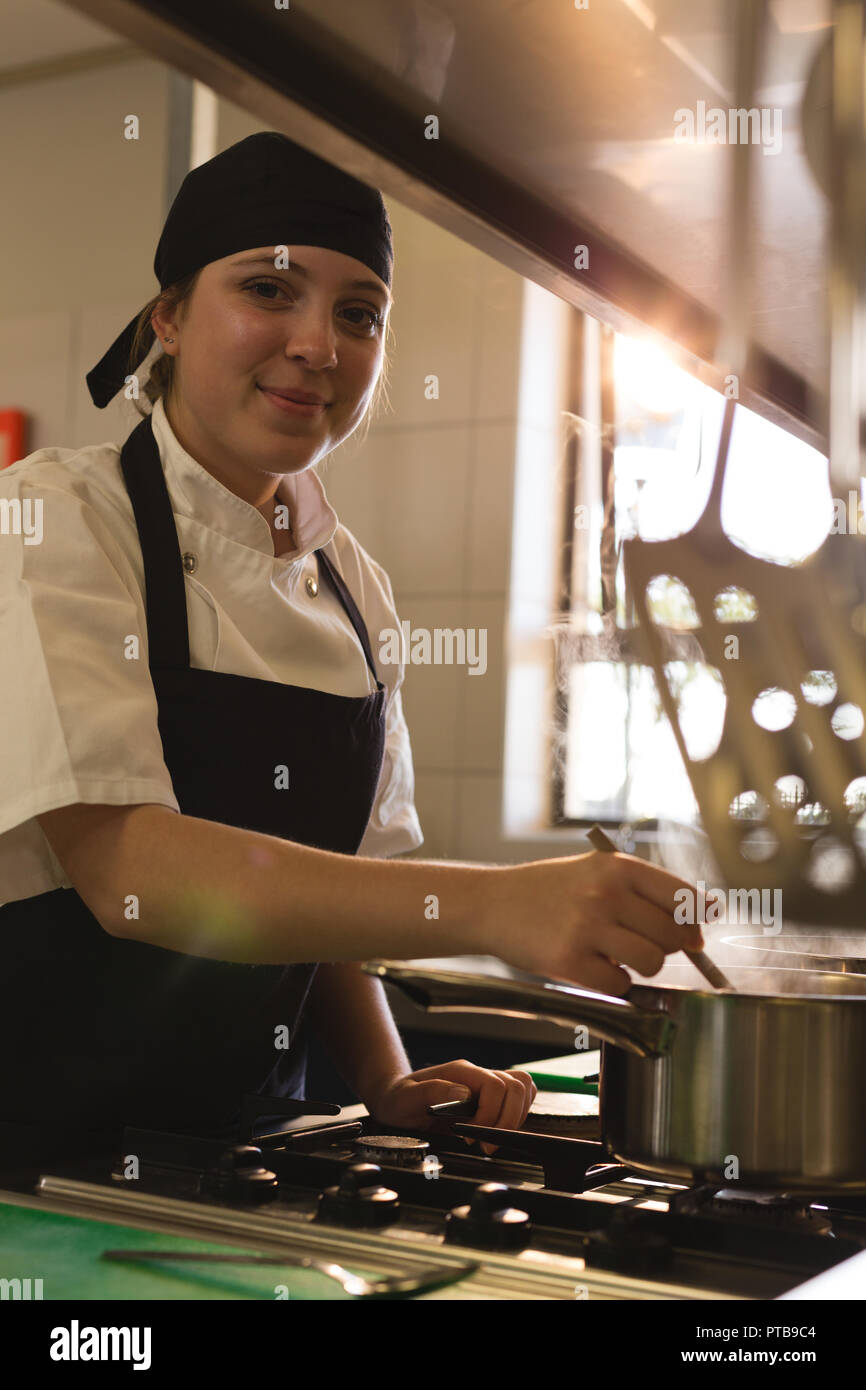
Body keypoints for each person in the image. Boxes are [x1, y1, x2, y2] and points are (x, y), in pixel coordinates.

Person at [0, 132, 703, 1154]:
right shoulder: (54, 521)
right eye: (269, 290)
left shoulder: (351, 585)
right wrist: (496, 905)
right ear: (170, 316)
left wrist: (388, 1077)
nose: (319, 345)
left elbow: (328, 896)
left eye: (357, 313)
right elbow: (127, 870)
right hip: (30, 1161)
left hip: (245, 1157)